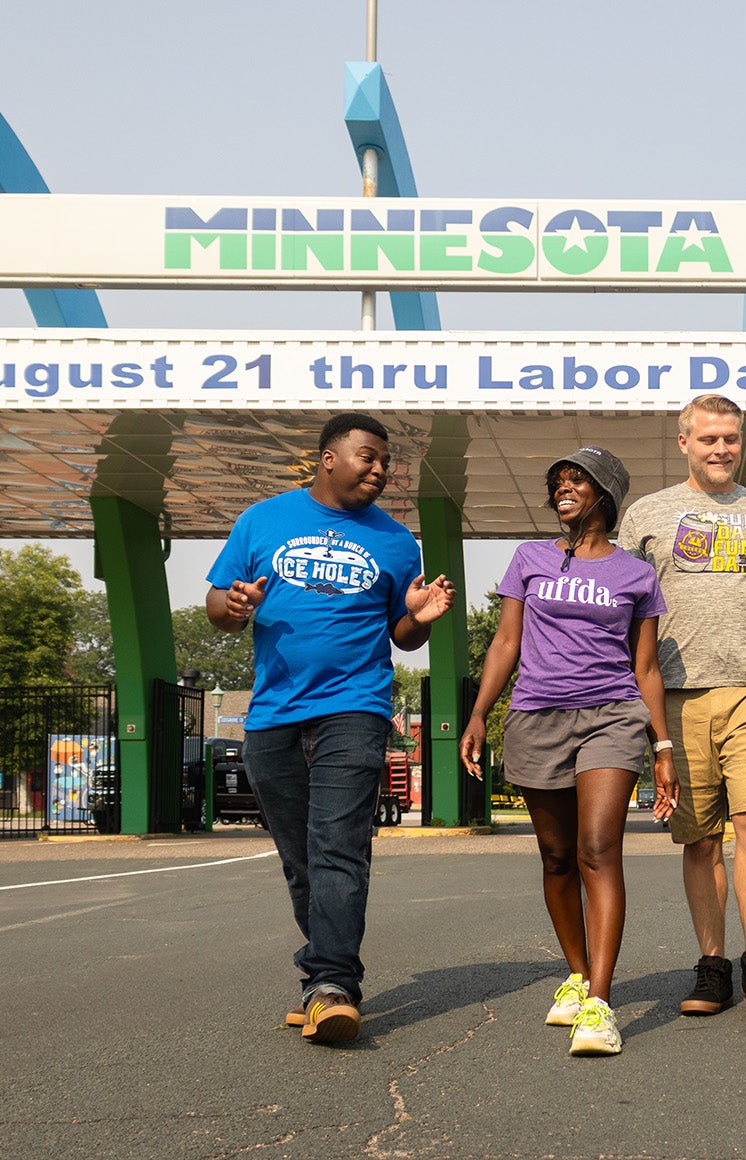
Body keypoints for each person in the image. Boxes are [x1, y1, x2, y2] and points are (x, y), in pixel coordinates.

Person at [206, 412, 456, 1046]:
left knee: (340, 845)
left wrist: (421, 617)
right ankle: (320, 975)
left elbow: (402, 633)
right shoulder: (262, 520)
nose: (379, 470)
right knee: (300, 859)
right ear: (328, 458)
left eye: (385, 462)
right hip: (274, 715)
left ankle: (332, 985)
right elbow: (218, 607)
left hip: (356, 707)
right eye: (367, 457)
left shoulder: (399, 542)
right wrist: (233, 605)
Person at [460, 446, 678, 1057]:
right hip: (536, 715)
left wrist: (662, 747)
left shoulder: (636, 573)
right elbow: (507, 641)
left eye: (576, 481)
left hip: (611, 716)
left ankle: (601, 1005)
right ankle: (578, 976)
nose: (563, 489)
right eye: (558, 481)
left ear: (604, 495)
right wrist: (480, 713)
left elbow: (646, 667)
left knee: (597, 848)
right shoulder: (529, 559)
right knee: (556, 857)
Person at [618, 394, 746, 1021]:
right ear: (683, 443)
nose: (721, 449)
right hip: (674, 696)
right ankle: (713, 963)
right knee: (698, 839)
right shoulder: (646, 515)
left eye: (730, 438)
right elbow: (621, 613)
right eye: (708, 439)